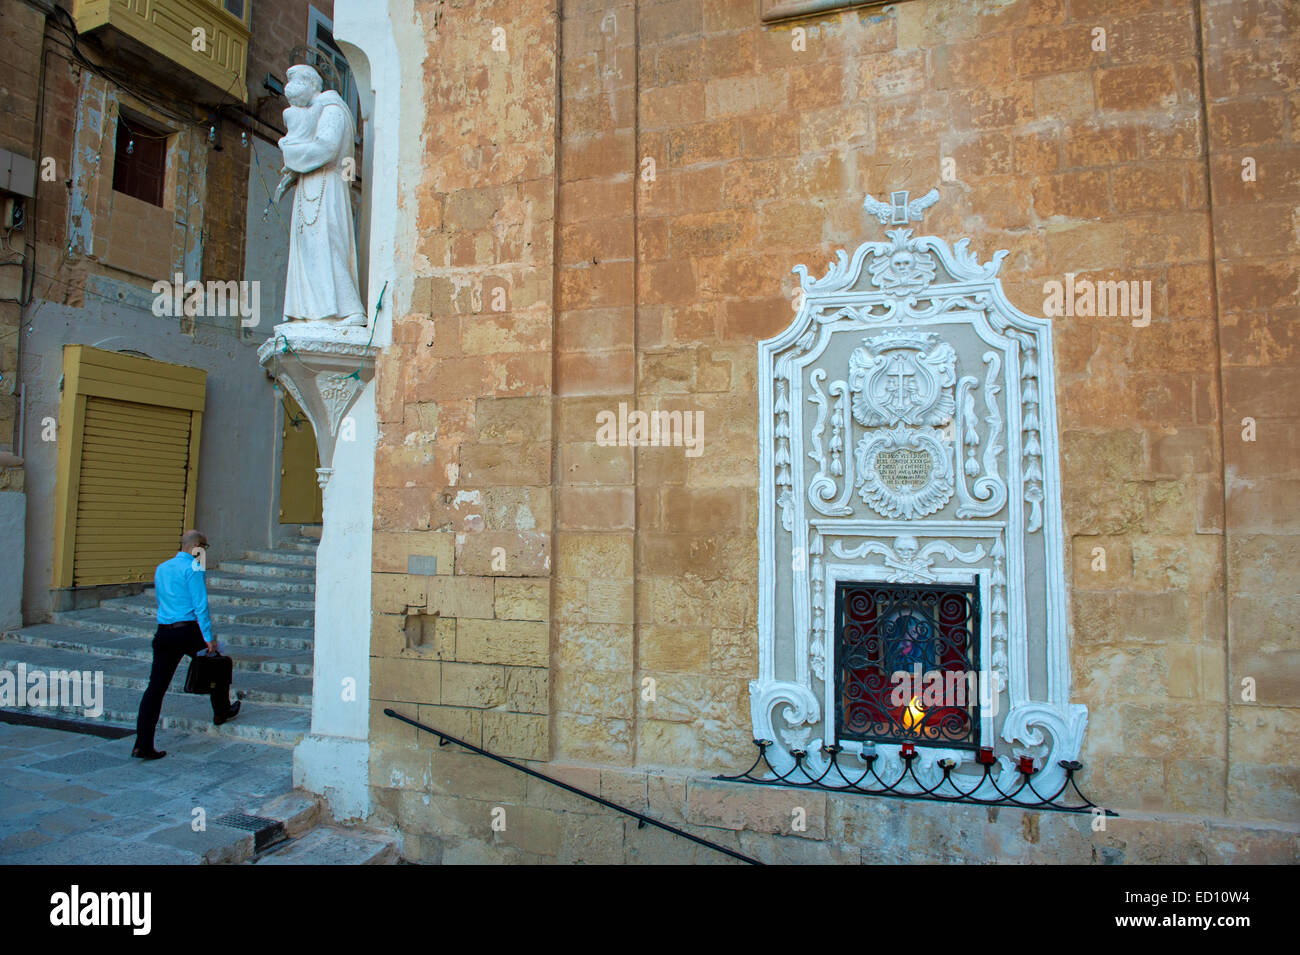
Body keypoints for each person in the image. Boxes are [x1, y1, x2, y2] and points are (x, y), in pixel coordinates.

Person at [132, 530, 240, 759]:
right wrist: (209, 638)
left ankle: (142, 743)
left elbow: (162, 600)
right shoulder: (193, 567)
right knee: (218, 663)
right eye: (205, 548)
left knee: (155, 688)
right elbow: (200, 605)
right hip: (189, 630)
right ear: (197, 546)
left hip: (164, 633)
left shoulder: (162, 568)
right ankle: (221, 710)